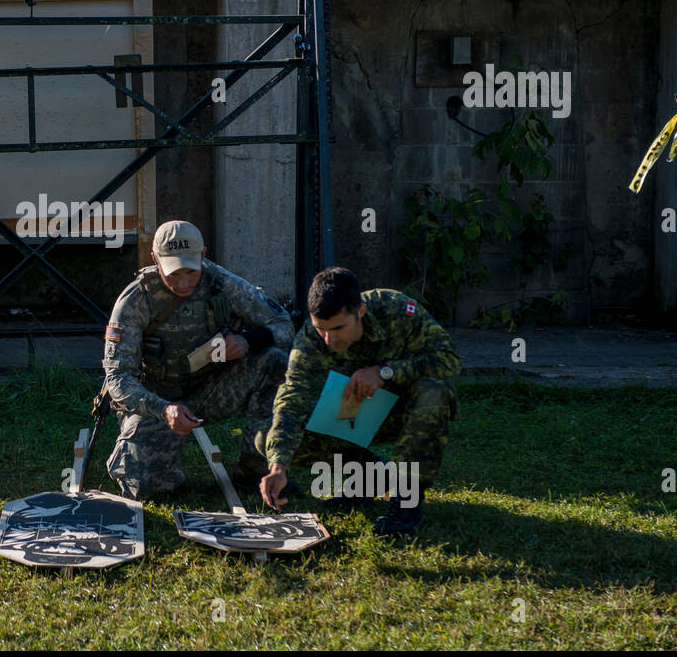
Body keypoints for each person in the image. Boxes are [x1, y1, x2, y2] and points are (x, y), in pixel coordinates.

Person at [101, 220, 295, 500]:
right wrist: (164, 410)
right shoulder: (135, 300)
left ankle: (255, 469)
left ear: (204, 255)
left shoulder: (223, 284)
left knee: (275, 361)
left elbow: (284, 326)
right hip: (159, 399)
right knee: (146, 487)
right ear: (155, 260)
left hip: (213, 389)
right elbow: (117, 379)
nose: (184, 283)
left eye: (191, 272)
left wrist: (247, 341)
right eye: (174, 273)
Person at [259, 266, 460, 535]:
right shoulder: (309, 337)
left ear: (360, 312)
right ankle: (368, 476)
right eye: (322, 329)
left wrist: (386, 372)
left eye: (339, 328)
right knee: (265, 437)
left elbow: (449, 361)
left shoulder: (396, 310)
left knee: (434, 392)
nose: (330, 339)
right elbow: (292, 397)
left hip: (407, 413)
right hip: (355, 414)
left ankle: (406, 502)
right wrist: (279, 466)